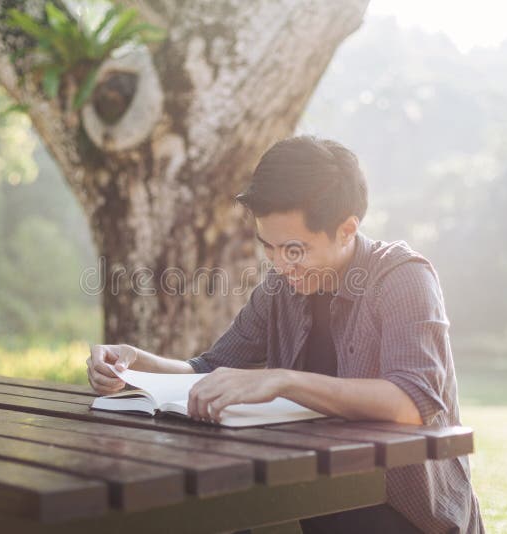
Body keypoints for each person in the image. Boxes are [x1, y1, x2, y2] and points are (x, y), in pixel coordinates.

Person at [86, 136, 484, 533]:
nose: (280, 264)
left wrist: (282, 380)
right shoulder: (281, 289)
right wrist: (136, 363)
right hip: (308, 501)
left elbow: (413, 402)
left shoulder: (403, 277)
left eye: (295, 249)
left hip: (401, 513)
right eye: (269, 247)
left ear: (346, 229)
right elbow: (208, 368)